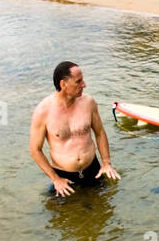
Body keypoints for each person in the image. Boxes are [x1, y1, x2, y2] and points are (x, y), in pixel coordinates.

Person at [29, 61, 119, 196]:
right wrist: (55, 179)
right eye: (78, 81)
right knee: (58, 213)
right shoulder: (43, 111)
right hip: (63, 176)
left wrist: (106, 163)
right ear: (63, 84)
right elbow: (35, 150)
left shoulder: (88, 103)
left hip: (93, 170)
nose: (84, 85)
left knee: (105, 210)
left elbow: (99, 132)